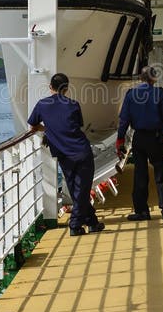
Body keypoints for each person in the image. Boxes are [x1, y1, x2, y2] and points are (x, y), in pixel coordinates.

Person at [28, 73, 105, 237]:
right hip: (81, 152)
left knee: (78, 192)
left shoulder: (42, 105)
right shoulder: (73, 105)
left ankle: (92, 223)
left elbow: (32, 125)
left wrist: (47, 129)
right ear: (67, 88)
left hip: (63, 155)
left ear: (50, 87)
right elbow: (76, 126)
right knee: (82, 190)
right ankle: (75, 225)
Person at [116, 66, 163, 221]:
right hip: (156, 139)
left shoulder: (131, 95)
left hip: (139, 139)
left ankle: (142, 211)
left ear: (140, 78)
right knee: (161, 174)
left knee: (140, 175)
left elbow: (124, 120)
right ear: (154, 78)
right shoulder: (160, 93)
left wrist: (120, 141)